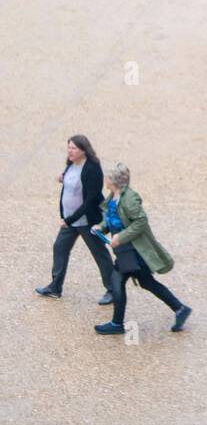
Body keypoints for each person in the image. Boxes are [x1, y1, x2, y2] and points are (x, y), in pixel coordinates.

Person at [92, 163, 192, 336]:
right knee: (146, 282)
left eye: (107, 177)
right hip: (126, 251)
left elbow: (140, 221)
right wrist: (101, 227)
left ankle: (117, 323)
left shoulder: (129, 199)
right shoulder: (114, 196)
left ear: (114, 181)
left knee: (117, 280)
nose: (105, 180)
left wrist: (120, 237)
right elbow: (113, 220)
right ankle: (180, 308)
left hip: (133, 251)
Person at [35, 135, 114, 304]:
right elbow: (71, 179)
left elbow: (91, 199)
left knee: (100, 254)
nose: (70, 151)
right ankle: (55, 287)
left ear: (83, 150)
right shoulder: (71, 163)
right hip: (70, 220)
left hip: (86, 220)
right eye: (69, 147)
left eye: (74, 148)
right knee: (60, 248)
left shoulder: (92, 168)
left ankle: (113, 290)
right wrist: (63, 177)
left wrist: (69, 220)